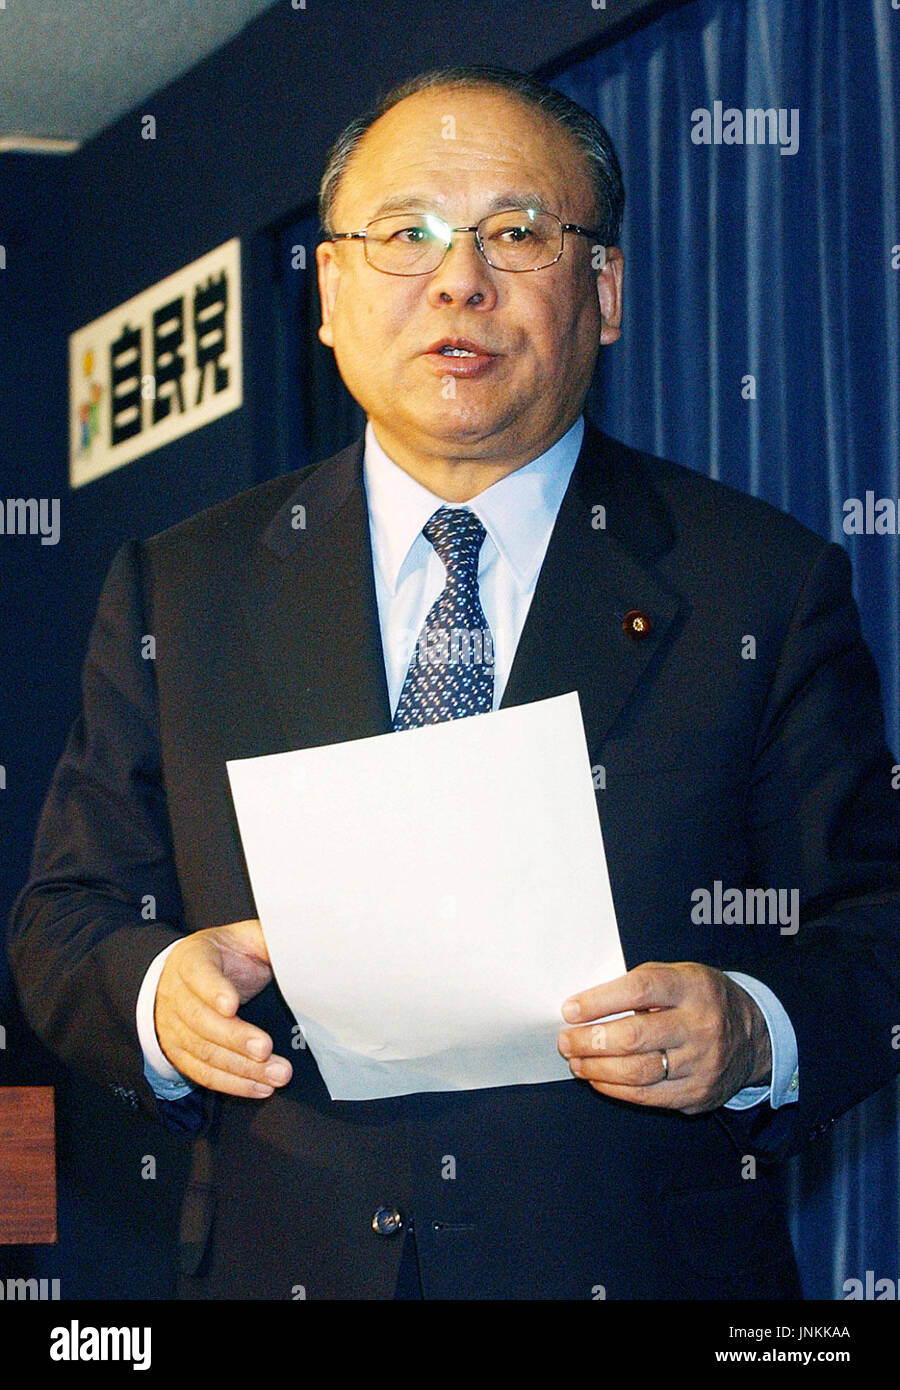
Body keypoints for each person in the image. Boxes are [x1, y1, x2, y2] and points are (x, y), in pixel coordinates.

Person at [9, 65, 900, 1300]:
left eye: (518, 232)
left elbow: (872, 933)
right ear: (327, 291)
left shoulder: (763, 581)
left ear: (604, 290)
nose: (459, 279)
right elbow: (65, 917)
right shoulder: (184, 587)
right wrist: (162, 1000)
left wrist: (755, 1024)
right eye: (405, 234)